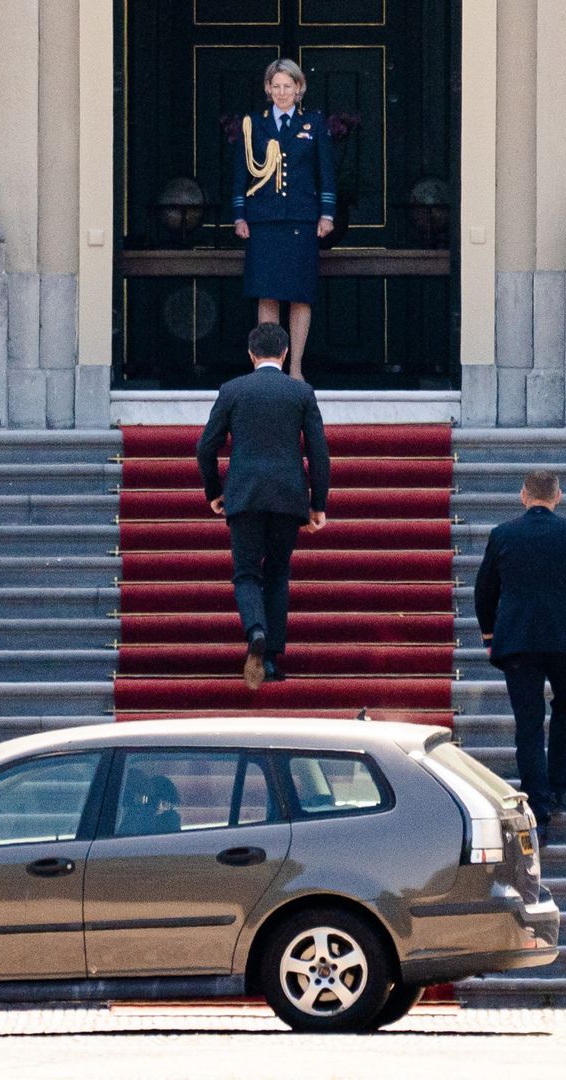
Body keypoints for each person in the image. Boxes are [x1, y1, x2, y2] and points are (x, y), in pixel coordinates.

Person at [473, 470, 566, 842]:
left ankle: (537, 808)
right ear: (559, 496)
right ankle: (557, 786)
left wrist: (491, 636)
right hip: (565, 641)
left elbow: (483, 591)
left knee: (528, 724)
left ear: (523, 495)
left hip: (519, 644)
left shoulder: (502, 535)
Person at [197, 322, 330, 691]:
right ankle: (270, 658)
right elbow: (318, 452)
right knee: (277, 573)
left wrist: (214, 490)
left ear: (251, 354)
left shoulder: (233, 390)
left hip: (244, 495)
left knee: (245, 573)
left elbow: (206, 446)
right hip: (288, 497)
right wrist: (318, 502)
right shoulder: (301, 392)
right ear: (286, 354)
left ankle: (255, 630)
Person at [231, 58, 338, 382]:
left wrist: (327, 213)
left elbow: (326, 172)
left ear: (299, 88)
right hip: (264, 219)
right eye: (275, 86)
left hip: (301, 220)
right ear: (267, 89)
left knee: (300, 294)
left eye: (287, 86)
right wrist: (239, 215)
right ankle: (268, 369)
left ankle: (295, 368)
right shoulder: (254, 123)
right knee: (267, 293)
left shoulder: (314, 124)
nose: (281, 92)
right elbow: (241, 172)